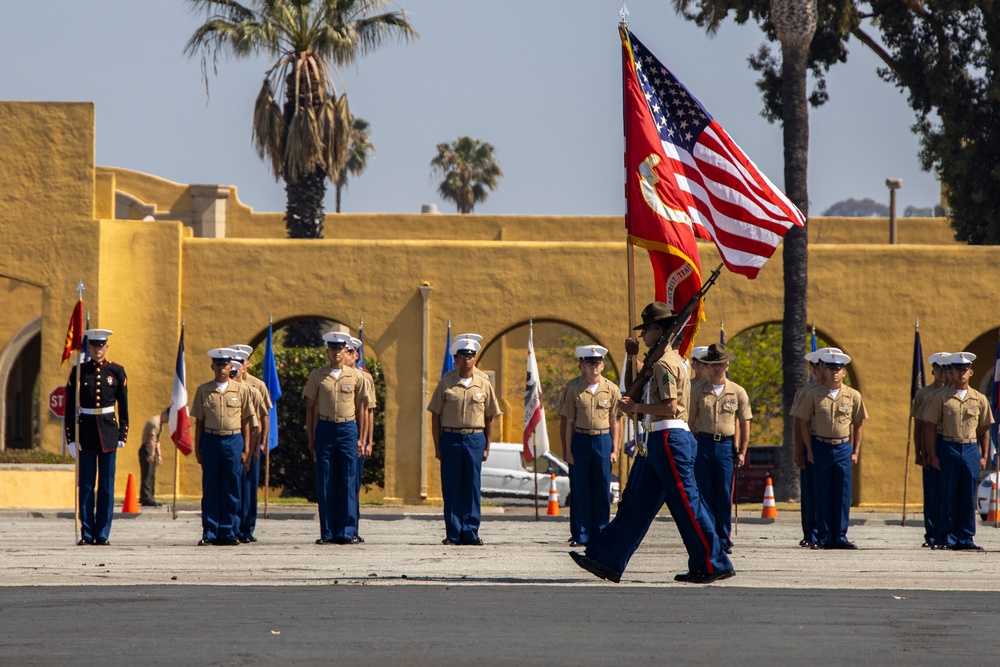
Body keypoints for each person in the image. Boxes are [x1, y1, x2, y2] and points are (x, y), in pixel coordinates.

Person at [571, 302, 733, 584]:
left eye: (646, 329)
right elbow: (639, 386)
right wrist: (631, 357)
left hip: (669, 438)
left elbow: (670, 406)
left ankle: (713, 562)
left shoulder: (665, 364)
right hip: (659, 439)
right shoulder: (660, 362)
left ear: (659, 331)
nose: (643, 335)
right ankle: (606, 559)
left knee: (687, 503)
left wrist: (635, 409)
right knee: (637, 503)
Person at [427, 333, 502, 546]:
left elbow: (490, 418)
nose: (467, 359)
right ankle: (453, 532)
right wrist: (437, 445)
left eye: (471, 355)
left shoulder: (484, 384)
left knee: (472, 486)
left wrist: (488, 445)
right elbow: (435, 418)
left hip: (474, 438)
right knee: (451, 486)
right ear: (456, 359)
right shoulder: (446, 383)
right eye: (463, 355)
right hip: (450, 437)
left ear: (475, 359)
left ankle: (470, 532)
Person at [919, 352, 994, 550]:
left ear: (971, 372)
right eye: (957, 370)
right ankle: (946, 537)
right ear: (951, 372)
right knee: (948, 493)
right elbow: (930, 426)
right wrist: (932, 454)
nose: (961, 374)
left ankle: (966, 538)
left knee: (967, 495)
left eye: (964, 370)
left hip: (970, 448)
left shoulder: (979, 398)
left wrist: (984, 454)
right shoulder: (941, 397)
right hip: (948, 446)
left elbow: (984, 429)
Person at [793, 351, 867, 549]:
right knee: (822, 493)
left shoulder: (853, 395)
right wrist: (808, 449)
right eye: (830, 369)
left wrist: (855, 450)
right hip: (821, 445)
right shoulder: (812, 394)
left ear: (843, 372)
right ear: (823, 371)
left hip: (843, 446)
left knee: (842, 494)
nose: (834, 373)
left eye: (838, 369)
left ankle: (840, 536)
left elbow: (858, 424)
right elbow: (803, 424)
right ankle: (824, 536)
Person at [304, 331, 372, 545]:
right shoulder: (317, 376)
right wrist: (311, 437)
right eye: (332, 349)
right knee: (325, 480)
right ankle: (328, 531)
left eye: (340, 349)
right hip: (325, 427)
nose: (336, 352)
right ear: (328, 351)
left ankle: (347, 530)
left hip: (347, 428)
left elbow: (362, 408)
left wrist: (361, 438)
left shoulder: (357, 377)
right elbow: (310, 408)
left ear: (346, 351)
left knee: (347, 479)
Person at [64, 329, 129, 546]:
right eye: (94, 346)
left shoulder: (117, 371)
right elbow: (70, 408)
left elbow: (124, 406)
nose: (98, 350)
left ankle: (103, 533)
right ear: (88, 348)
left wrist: (123, 433)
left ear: (107, 347)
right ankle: (87, 532)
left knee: (107, 487)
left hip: (109, 432)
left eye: (101, 346)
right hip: (87, 433)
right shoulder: (79, 372)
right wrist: (71, 438)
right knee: (86, 485)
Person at [689, 342, 752, 554]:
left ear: (727, 365)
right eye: (713, 364)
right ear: (707, 366)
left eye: (721, 363)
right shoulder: (697, 391)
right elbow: (690, 422)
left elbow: (745, 422)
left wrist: (742, 450)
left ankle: (723, 539)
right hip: (704, 443)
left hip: (726, 445)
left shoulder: (737, 391)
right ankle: (709, 537)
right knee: (704, 493)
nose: (717, 368)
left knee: (724, 494)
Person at [557, 345, 623, 547]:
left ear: (602, 366)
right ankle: (581, 533)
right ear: (582, 366)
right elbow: (568, 422)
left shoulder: (611, 389)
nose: (594, 367)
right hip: (581, 439)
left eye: (597, 363)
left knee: (602, 489)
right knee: (581, 489)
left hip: (602, 440)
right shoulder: (573, 388)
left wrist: (615, 449)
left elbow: (616, 422)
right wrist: (567, 450)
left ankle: (601, 532)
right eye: (589, 363)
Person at [192, 348, 256, 546]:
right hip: (211, 440)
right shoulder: (204, 390)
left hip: (233, 440)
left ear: (231, 367)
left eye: (225, 365)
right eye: (217, 365)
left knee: (231, 488)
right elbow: (199, 423)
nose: (221, 368)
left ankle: (228, 531)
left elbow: (246, 421)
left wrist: (246, 449)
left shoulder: (241, 390)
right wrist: (198, 448)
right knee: (210, 488)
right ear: (212, 367)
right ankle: (210, 531)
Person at [792, 347, 841, 548]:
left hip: (826, 446)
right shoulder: (806, 393)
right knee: (811, 491)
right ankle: (811, 531)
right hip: (810, 445)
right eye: (821, 366)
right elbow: (798, 424)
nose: (824, 370)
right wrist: (799, 451)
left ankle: (828, 532)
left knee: (829, 493)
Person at [910, 352, 950, 548]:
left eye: (945, 369)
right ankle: (932, 533)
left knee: (949, 493)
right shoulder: (924, 394)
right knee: (933, 493)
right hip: (930, 446)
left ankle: (949, 532)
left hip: (949, 444)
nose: (942, 373)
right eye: (938, 369)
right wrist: (919, 451)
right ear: (933, 371)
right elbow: (919, 425)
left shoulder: (955, 393)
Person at [228, 349, 268, 543]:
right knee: (233, 486)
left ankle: (246, 527)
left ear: (247, 364)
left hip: (251, 442)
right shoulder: (227, 385)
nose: (238, 366)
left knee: (249, 487)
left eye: (241, 362)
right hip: (233, 440)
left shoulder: (256, 386)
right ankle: (233, 526)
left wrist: (261, 444)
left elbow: (263, 418)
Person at [347, 336, 376, 543]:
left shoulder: (364, 378)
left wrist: (366, 440)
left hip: (354, 438)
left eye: (350, 352)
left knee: (352, 485)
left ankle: (352, 527)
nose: (347, 356)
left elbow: (367, 412)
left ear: (356, 355)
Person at [139, 408, 169, 507]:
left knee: (152, 474)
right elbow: (151, 439)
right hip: (147, 448)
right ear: (165, 414)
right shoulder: (154, 422)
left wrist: (159, 455)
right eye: (168, 418)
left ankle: (150, 496)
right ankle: (146, 498)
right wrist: (151, 454)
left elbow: (157, 442)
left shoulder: (161, 425)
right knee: (147, 473)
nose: (168, 421)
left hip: (152, 449)